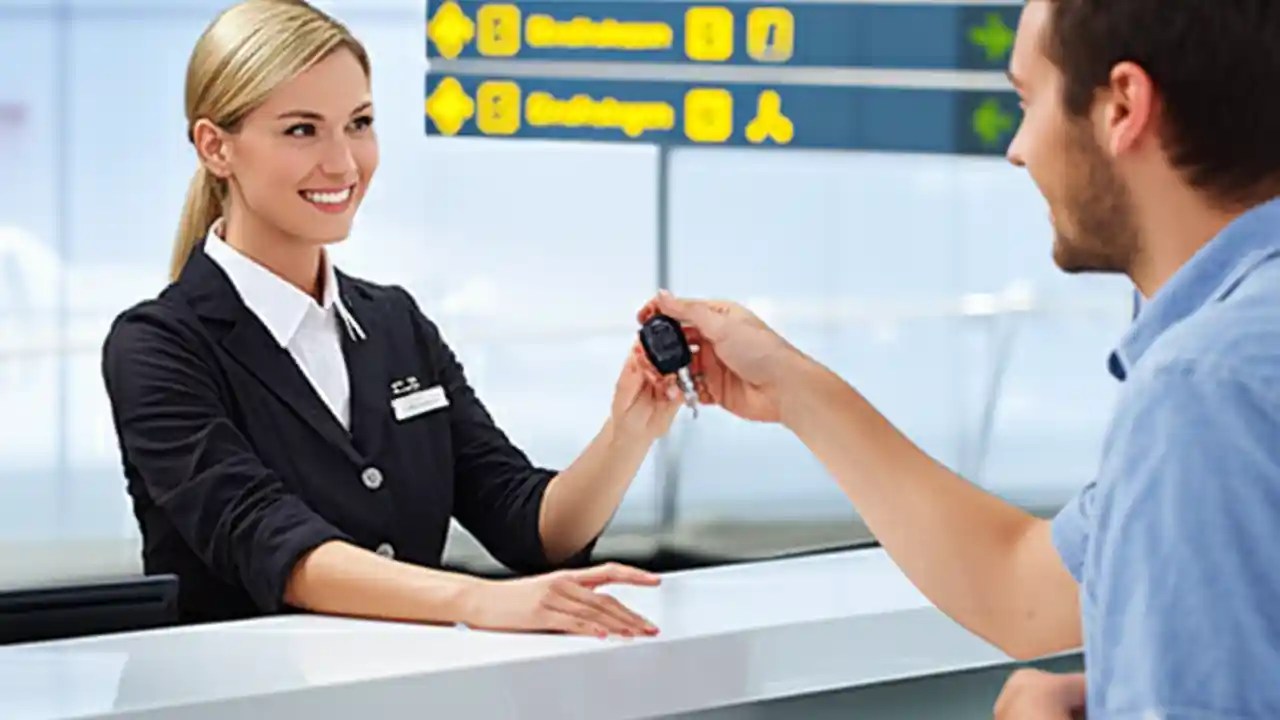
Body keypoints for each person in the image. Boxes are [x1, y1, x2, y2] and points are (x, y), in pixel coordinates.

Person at [640, 0, 1280, 716]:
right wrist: (791, 387)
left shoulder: (1203, 394)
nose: (1018, 149)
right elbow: (1023, 588)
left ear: (1122, 106)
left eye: (1027, 101)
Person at [101, 0, 681, 637]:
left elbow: (529, 527)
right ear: (215, 147)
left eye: (359, 123)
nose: (343, 163)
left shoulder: (395, 324)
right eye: (302, 130)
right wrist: (477, 600)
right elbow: (271, 542)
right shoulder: (157, 346)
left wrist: (629, 431)